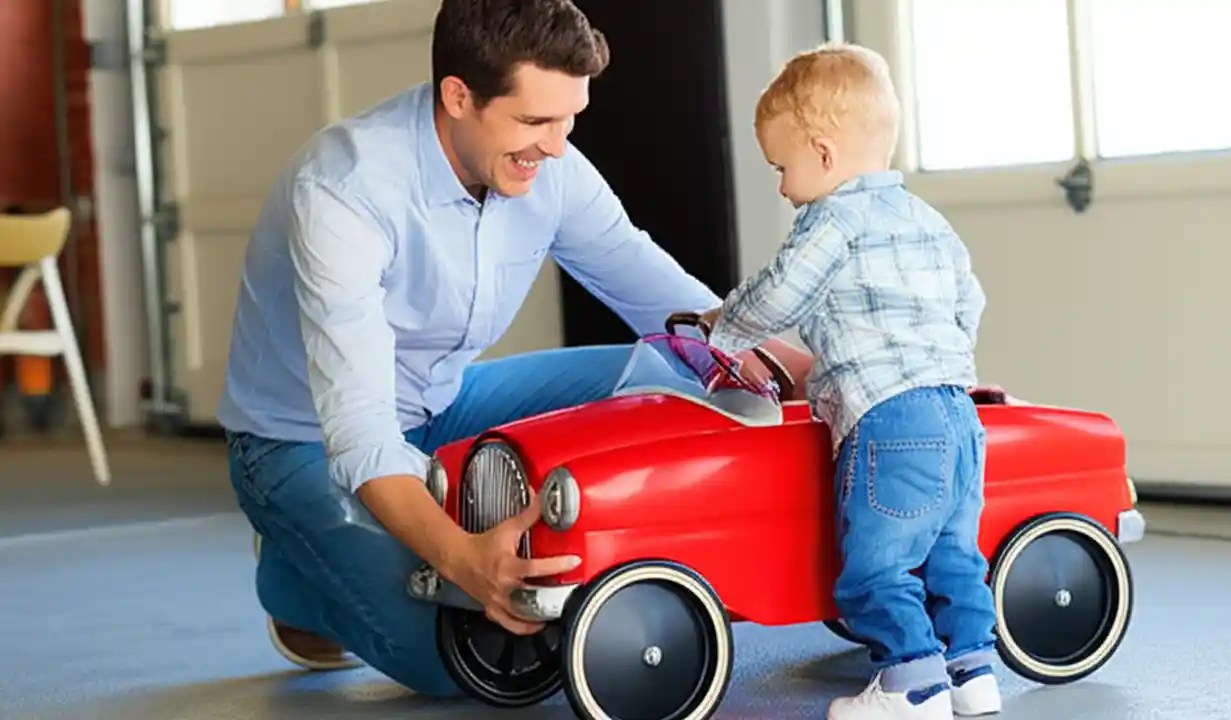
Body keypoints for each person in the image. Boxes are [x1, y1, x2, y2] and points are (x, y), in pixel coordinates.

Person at [216, 0, 811, 698]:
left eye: (569, 119)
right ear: (459, 97)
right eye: (534, 122)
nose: (556, 147)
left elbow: (656, 292)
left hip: (442, 403)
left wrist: (794, 363)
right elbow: (360, 430)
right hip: (301, 441)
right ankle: (296, 572)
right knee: (477, 662)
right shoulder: (345, 191)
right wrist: (464, 560)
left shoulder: (548, 161)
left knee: (665, 377)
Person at [701, 43, 1000, 720]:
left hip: (888, 421)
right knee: (953, 556)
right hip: (957, 414)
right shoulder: (928, 220)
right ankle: (973, 673)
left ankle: (911, 686)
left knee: (877, 567)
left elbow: (781, 295)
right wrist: (940, 359)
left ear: (824, 154)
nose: (781, 186)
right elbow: (970, 305)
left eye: (783, 167)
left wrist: (726, 324)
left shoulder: (829, 222)